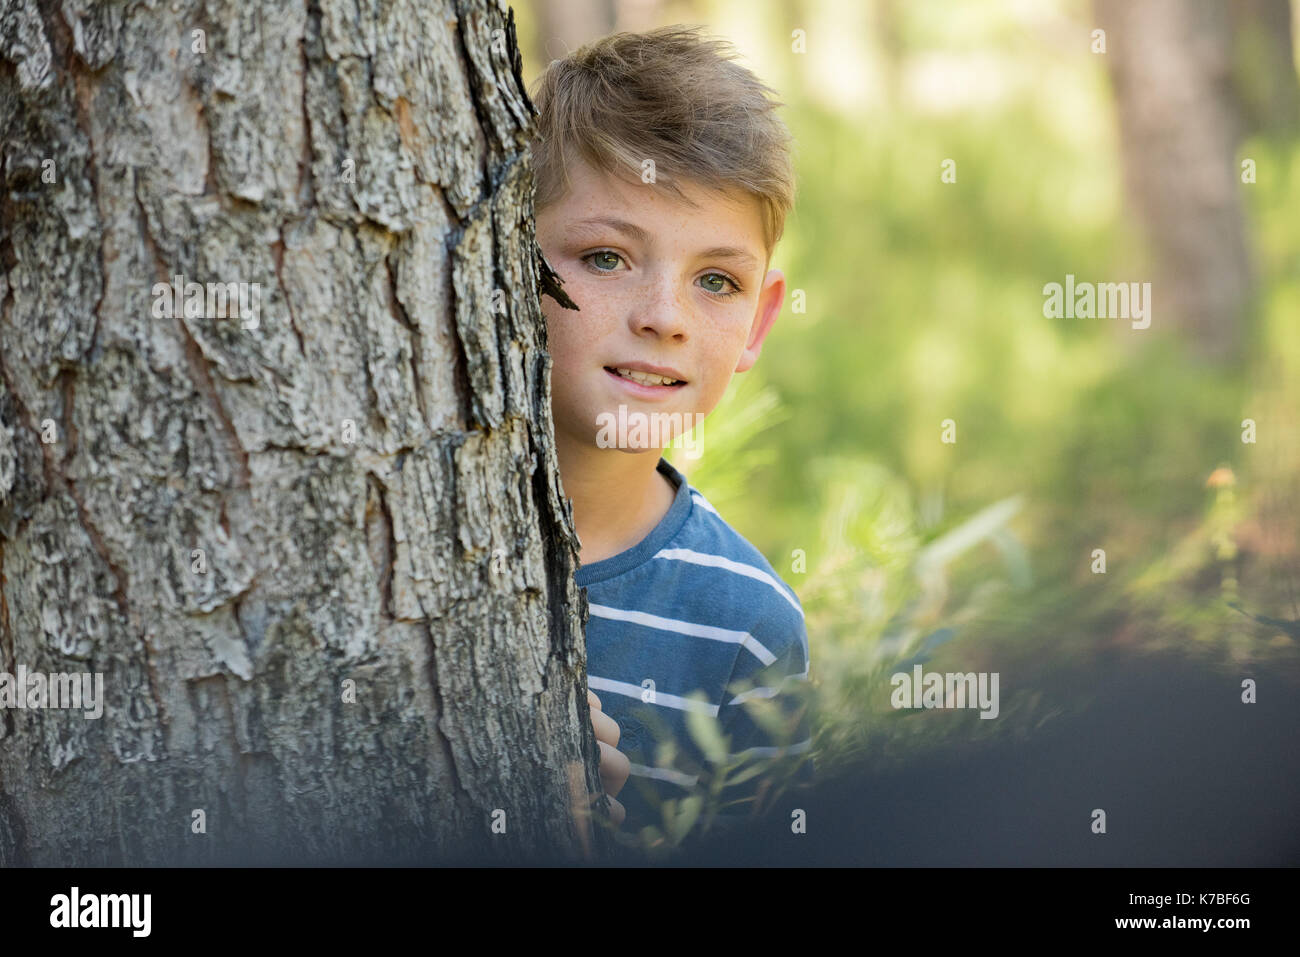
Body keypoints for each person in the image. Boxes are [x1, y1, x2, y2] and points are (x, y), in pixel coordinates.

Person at [530, 25, 812, 842]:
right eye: (607, 258)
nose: (663, 319)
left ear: (758, 322)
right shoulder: (398, 533)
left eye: (715, 281)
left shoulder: (749, 629)